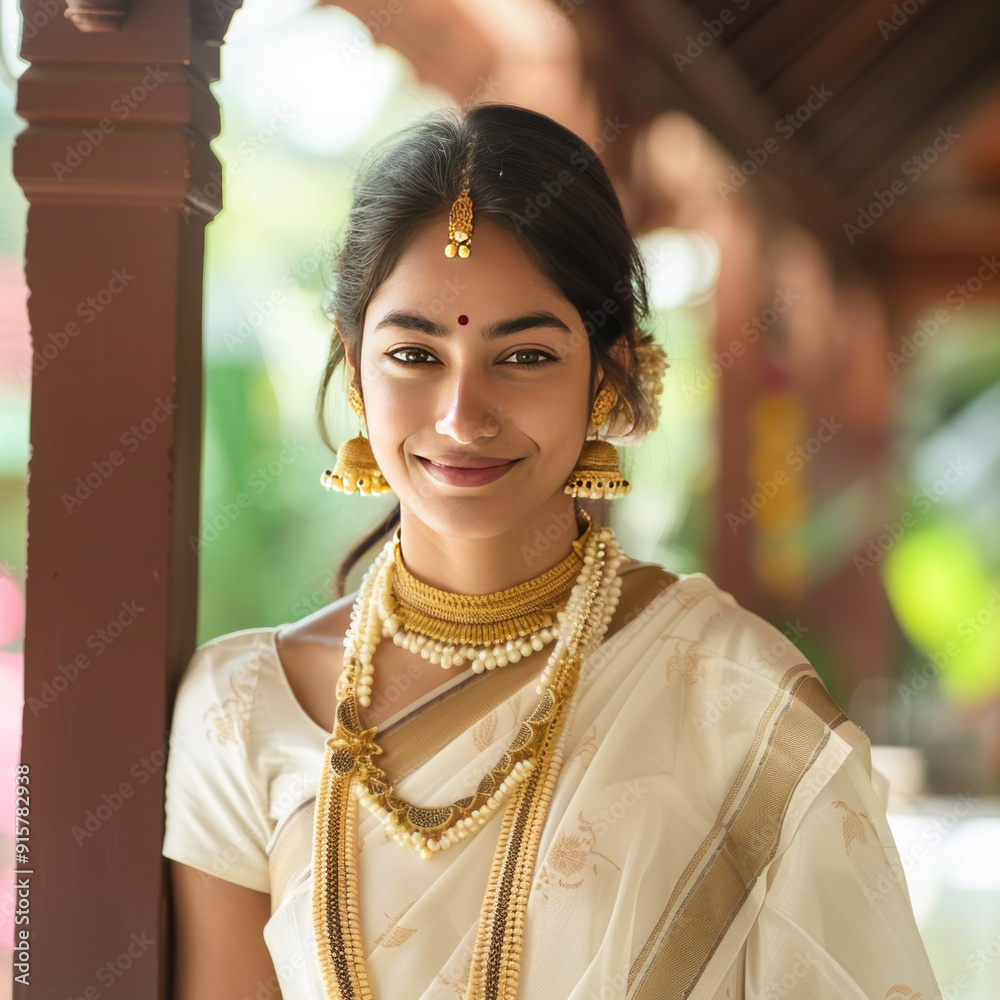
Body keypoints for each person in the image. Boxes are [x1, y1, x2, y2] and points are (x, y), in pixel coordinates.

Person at [162, 103, 942, 1000]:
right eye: (415, 354)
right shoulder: (244, 709)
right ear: (354, 365)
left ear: (610, 373)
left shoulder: (733, 694)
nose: (463, 417)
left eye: (526, 356)